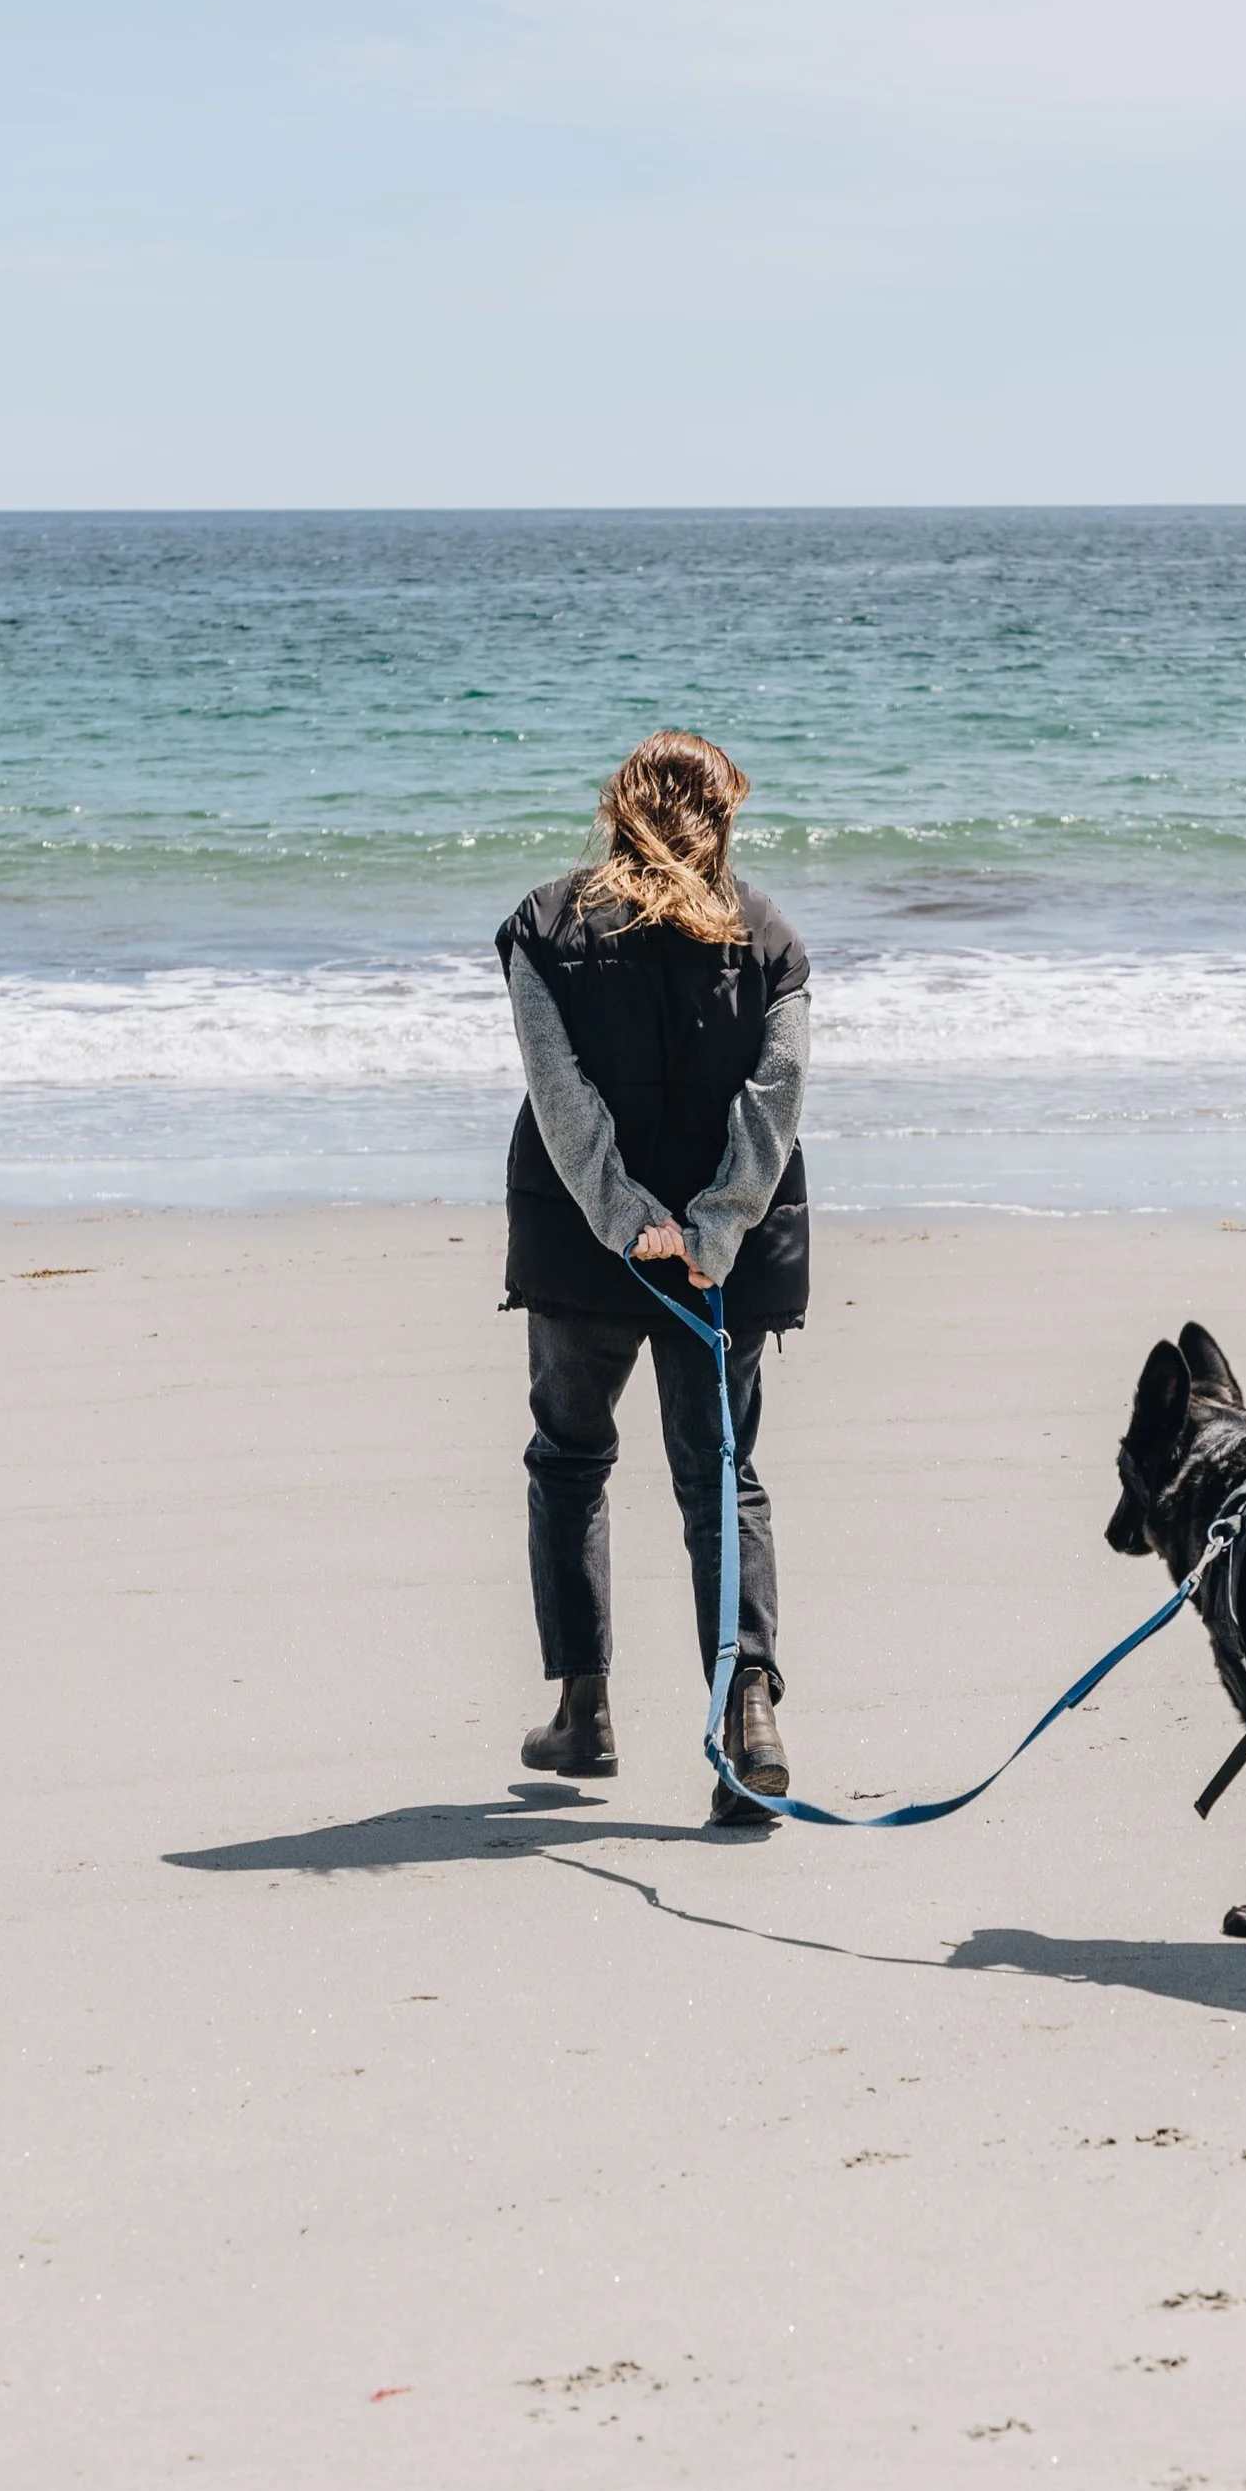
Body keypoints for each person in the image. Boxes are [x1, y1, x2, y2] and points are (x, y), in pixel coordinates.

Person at [495, 730, 810, 1821]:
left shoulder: (543, 926)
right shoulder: (770, 936)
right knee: (720, 1479)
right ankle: (750, 1720)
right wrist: (712, 1228)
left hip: (586, 1249)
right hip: (723, 1262)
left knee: (570, 1460)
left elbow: (560, 1096)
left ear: (616, 808)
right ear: (724, 815)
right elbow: (777, 1098)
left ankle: (583, 1713)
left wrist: (631, 1221)